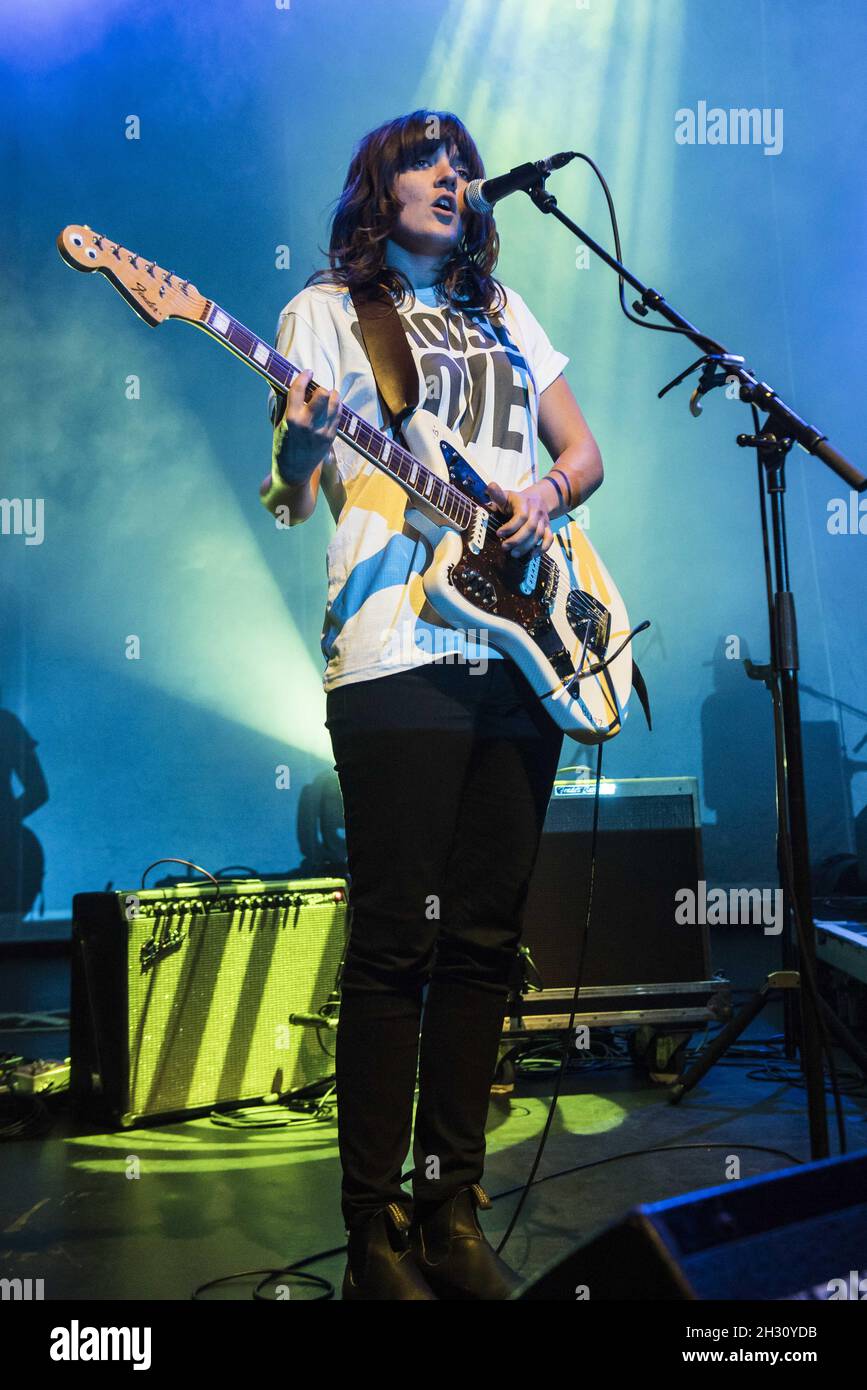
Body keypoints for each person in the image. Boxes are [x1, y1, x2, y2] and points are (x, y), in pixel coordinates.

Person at [259, 110, 604, 1300]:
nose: (450, 176)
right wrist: (306, 444)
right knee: (395, 946)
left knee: (484, 947)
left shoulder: (503, 311)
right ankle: (375, 1230)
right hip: (395, 655)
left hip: (518, 653)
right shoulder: (327, 312)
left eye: (460, 161)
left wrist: (544, 494)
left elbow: (583, 451)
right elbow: (296, 494)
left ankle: (455, 1206)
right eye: (424, 160)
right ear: (377, 187)